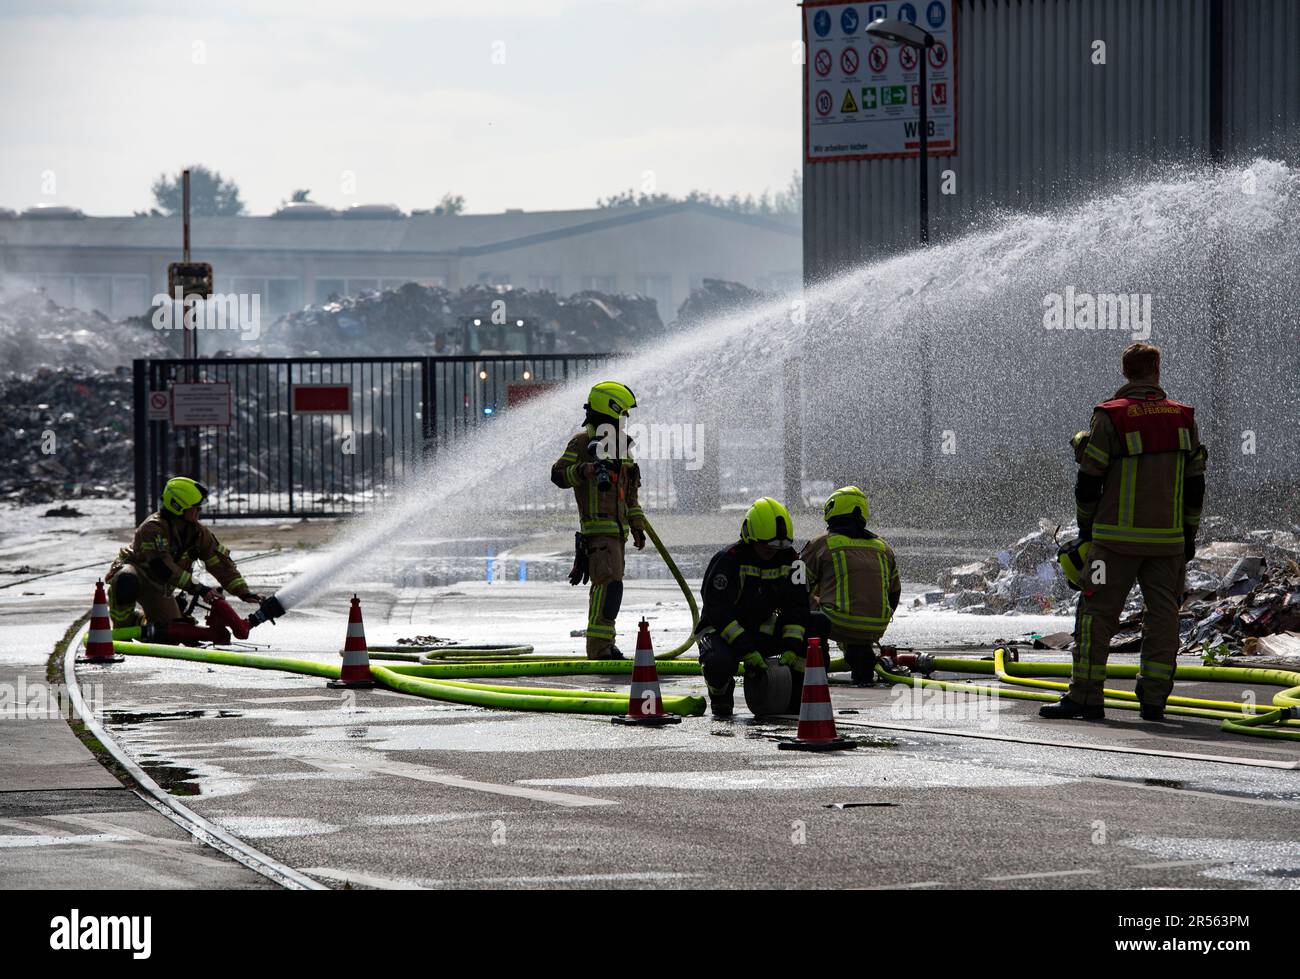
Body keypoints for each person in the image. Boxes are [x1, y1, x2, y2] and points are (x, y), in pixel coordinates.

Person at [1041, 342, 1207, 722]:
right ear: (1157, 371)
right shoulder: (1183, 418)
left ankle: (1085, 697)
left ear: (1125, 372)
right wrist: (1188, 535)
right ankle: (1153, 700)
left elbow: (1088, 482)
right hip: (1167, 545)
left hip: (1113, 544)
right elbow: (1196, 485)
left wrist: (1086, 530)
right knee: (1164, 618)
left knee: (1095, 615)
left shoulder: (1111, 417)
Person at [550, 381, 646, 660]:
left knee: (609, 588)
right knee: (608, 587)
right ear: (609, 409)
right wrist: (586, 470)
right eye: (621, 413)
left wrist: (637, 525)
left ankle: (605, 644)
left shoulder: (621, 447)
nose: (622, 419)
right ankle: (599, 649)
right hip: (598, 532)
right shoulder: (582, 443)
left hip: (618, 533)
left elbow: (631, 494)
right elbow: (558, 475)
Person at [695, 497, 810, 718]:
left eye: (778, 546)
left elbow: (798, 607)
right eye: (766, 546)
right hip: (722, 631)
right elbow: (718, 612)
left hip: (760, 628)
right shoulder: (728, 561)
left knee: (816, 630)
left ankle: (795, 696)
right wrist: (747, 651)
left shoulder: (793, 561)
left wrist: (792, 647)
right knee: (718, 661)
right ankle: (720, 693)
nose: (772, 552)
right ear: (750, 536)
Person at [105, 477, 262, 629]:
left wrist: (244, 592)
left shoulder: (198, 532)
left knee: (170, 633)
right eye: (196, 506)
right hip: (138, 575)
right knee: (126, 579)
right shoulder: (153, 528)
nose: (200, 510)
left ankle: (145, 623)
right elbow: (163, 567)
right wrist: (200, 588)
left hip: (160, 586)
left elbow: (219, 563)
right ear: (177, 506)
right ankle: (124, 623)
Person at [800, 486, 901, 686]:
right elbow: (894, 592)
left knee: (811, 612)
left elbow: (795, 583)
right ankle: (861, 660)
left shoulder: (821, 544)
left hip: (837, 622)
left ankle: (818, 663)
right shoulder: (883, 548)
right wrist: (878, 617)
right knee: (854, 610)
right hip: (875, 626)